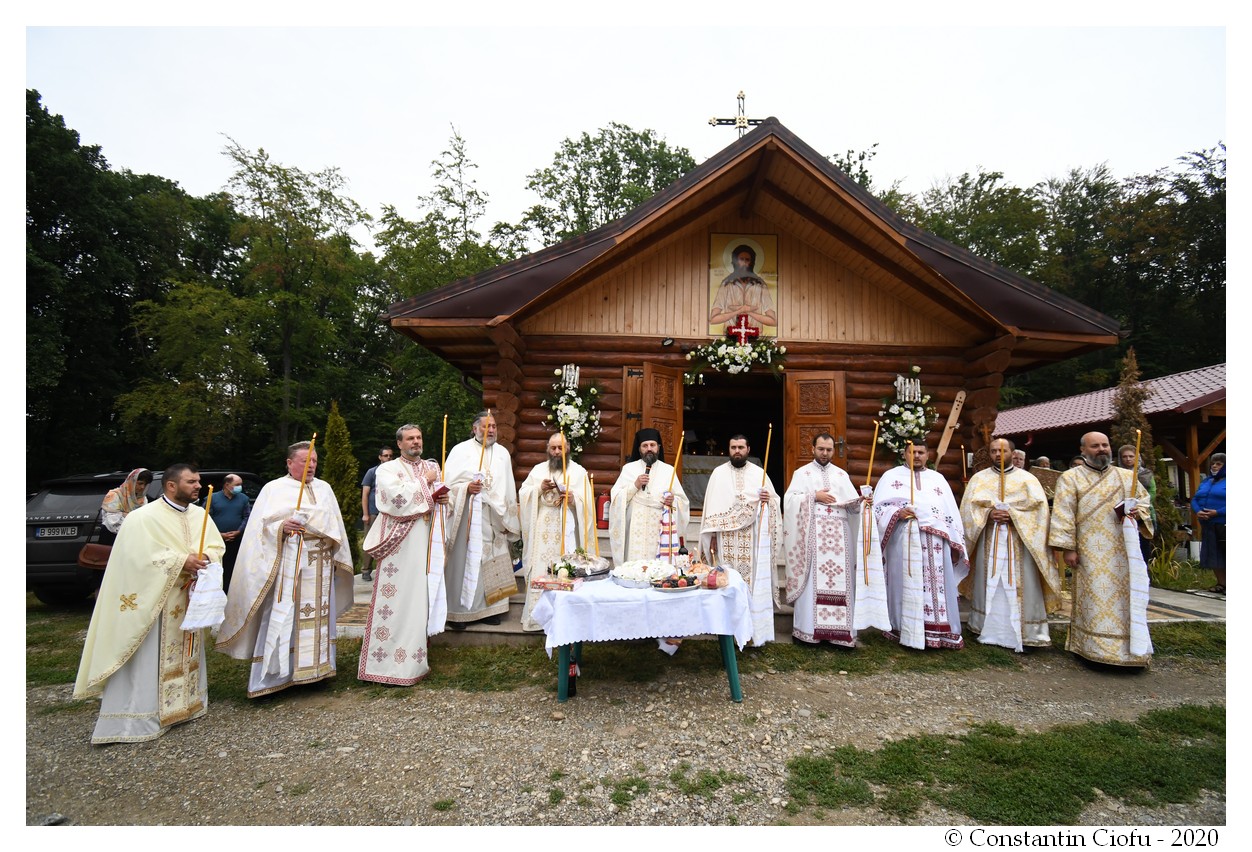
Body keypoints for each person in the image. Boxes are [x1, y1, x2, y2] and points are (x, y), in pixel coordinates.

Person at [74, 464, 225, 744]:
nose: (198, 486)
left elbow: (216, 547)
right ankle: (140, 716)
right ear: (170, 486)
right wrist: (181, 561)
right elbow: (135, 559)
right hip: (153, 603)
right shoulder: (142, 518)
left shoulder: (200, 515)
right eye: (191, 482)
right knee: (149, 656)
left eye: (198, 481)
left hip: (187, 597)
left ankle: (184, 706)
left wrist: (206, 560)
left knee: (186, 650)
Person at [216, 441, 354, 696]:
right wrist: (282, 527)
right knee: (284, 614)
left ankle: (316, 671)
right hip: (290, 564)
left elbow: (336, 524)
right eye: (305, 461)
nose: (311, 465)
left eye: (314, 460)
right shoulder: (274, 488)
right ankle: (275, 675)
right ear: (290, 463)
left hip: (320, 566)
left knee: (319, 618)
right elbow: (259, 528)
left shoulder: (324, 488)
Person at [1048, 431, 1154, 667]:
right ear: (1083, 450)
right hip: (1089, 551)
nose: (1101, 449)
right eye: (1095, 446)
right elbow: (1063, 514)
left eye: (1105, 445)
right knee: (1093, 599)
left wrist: (1139, 513)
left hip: (1123, 550)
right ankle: (1090, 649)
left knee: (1126, 599)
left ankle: (1130, 650)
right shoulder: (1070, 478)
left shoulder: (1127, 477)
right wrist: (1068, 549)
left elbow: (1145, 504)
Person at [358, 425, 448, 685]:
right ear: (399, 444)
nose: (416, 442)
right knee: (398, 600)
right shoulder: (387, 469)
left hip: (425, 542)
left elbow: (436, 501)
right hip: (400, 546)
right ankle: (386, 665)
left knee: (419, 599)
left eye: (419, 437)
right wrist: (427, 482)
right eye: (410, 438)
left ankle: (415, 660)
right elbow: (394, 499)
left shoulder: (431, 467)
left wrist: (442, 501)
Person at [783, 433, 886, 647]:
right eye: (821, 449)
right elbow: (790, 500)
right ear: (812, 449)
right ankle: (809, 632)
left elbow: (851, 505)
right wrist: (814, 496)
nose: (825, 453)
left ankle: (840, 634)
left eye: (829, 450)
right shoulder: (801, 473)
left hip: (840, 539)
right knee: (813, 582)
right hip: (812, 538)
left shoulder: (841, 475)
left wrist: (863, 502)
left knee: (841, 582)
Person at [958, 438, 1061, 652]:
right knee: (989, 582)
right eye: (994, 451)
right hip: (989, 539)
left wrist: (1013, 515)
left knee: (1022, 584)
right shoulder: (979, 479)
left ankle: (1028, 631)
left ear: (1012, 454)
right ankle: (986, 626)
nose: (998, 454)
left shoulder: (1027, 480)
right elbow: (967, 511)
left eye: (1002, 450)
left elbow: (1040, 513)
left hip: (1019, 544)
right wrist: (988, 513)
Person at [873, 442, 968, 650]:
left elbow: (949, 512)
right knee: (904, 582)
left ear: (928, 455)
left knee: (938, 586)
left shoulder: (938, 479)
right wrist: (897, 513)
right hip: (904, 539)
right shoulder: (891, 477)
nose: (916, 456)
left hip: (936, 543)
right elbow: (878, 509)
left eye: (921, 452)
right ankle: (905, 628)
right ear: (904, 454)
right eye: (912, 452)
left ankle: (940, 630)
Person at [700, 434, 781, 646]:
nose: (737, 451)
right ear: (729, 449)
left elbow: (774, 501)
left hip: (751, 539)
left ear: (748, 449)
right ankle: (728, 632)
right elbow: (711, 510)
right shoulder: (718, 474)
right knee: (727, 583)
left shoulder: (758, 474)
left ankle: (753, 632)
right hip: (725, 540)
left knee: (750, 584)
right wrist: (713, 538)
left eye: (741, 447)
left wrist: (767, 501)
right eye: (733, 447)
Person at [443, 411, 521, 629]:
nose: (492, 430)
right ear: (475, 428)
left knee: (492, 560)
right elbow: (448, 485)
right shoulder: (460, 451)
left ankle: (490, 610)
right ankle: (459, 613)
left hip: (494, 518)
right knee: (466, 562)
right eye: (487, 427)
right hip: (468, 515)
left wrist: (507, 517)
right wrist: (466, 488)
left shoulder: (503, 453)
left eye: (494, 426)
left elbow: (508, 486)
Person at [518, 432, 592, 631]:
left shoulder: (579, 472)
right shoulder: (538, 470)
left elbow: (588, 505)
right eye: (553, 448)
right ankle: (537, 618)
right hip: (543, 526)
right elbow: (524, 494)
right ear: (547, 449)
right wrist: (539, 489)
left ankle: (563, 617)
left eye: (561, 447)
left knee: (565, 570)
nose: (557, 452)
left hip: (566, 528)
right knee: (540, 568)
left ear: (568, 448)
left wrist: (573, 498)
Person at [610, 427, 691, 565]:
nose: (649, 449)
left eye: (652, 445)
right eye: (645, 445)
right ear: (639, 448)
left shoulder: (668, 470)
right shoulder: (629, 469)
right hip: (636, 527)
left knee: (658, 568)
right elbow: (616, 498)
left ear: (658, 447)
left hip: (660, 526)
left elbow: (682, 501)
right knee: (635, 567)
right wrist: (634, 485)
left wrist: (673, 501)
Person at [708, 243, 777, 328]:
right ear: (735, 261)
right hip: (730, 337)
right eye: (741, 259)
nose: (744, 263)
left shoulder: (760, 285)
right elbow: (713, 319)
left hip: (755, 337)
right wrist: (739, 311)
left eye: (747, 260)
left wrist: (749, 312)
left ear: (752, 262)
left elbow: (773, 321)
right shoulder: (726, 284)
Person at [207, 473, 251, 591]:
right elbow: (206, 518)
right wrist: (219, 534)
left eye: (241, 484)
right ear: (227, 485)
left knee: (234, 570)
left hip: (237, 541)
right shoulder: (212, 498)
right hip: (216, 542)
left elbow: (247, 517)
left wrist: (238, 531)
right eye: (237, 484)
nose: (240, 487)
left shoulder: (243, 499)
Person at [1191, 453, 1225, 595]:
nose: (1214, 466)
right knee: (1214, 555)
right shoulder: (1207, 482)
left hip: (1223, 523)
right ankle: (1222, 584)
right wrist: (1198, 511)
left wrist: (1217, 512)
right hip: (1208, 524)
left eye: (1219, 464)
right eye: (1213, 463)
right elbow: (1195, 499)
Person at [360, 446, 396, 581]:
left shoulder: (395, 472)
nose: (388, 458)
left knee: (388, 543)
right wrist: (365, 514)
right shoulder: (372, 472)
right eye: (385, 456)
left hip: (390, 513)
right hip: (374, 512)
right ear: (380, 457)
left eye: (390, 456)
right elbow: (365, 494)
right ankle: (365, 570)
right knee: (370, 542)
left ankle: (384, 570)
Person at [1118, 444, 1157, 566]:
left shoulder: (1146, 474)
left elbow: (1151, 492)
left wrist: (1138, 506)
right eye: (1124, 457)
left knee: (1142, 546)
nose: (1128, 459)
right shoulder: (1116, 474)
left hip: (1142, 514)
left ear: (1137, 457)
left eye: (1131, 456)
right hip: (1123, 514)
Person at [101, 468, 153, 533]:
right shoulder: (115, 495)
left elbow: (144, 518)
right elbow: (113, 521)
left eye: (145, 484)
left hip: (134, 535)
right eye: (140, 483)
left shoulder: (142, 498)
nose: (143, 487)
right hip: (113, 536)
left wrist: (124, 514)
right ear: (132, 481)